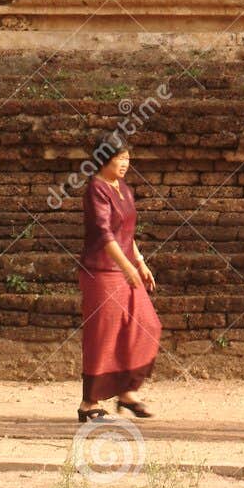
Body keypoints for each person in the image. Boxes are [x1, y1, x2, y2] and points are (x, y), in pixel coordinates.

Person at [77, 139, 161, 422]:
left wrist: (139, 261)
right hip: (101, 271)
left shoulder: (123, 189)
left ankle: (127, 392)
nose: (125, 163)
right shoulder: (96, 190)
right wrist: (126, 266)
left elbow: (126, 231)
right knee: (104, 334)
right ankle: (89, 402)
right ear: (104, 159)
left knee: (146, 324)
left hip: (125, 269)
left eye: (127, 158)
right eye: (119, 158)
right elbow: (104, 234)